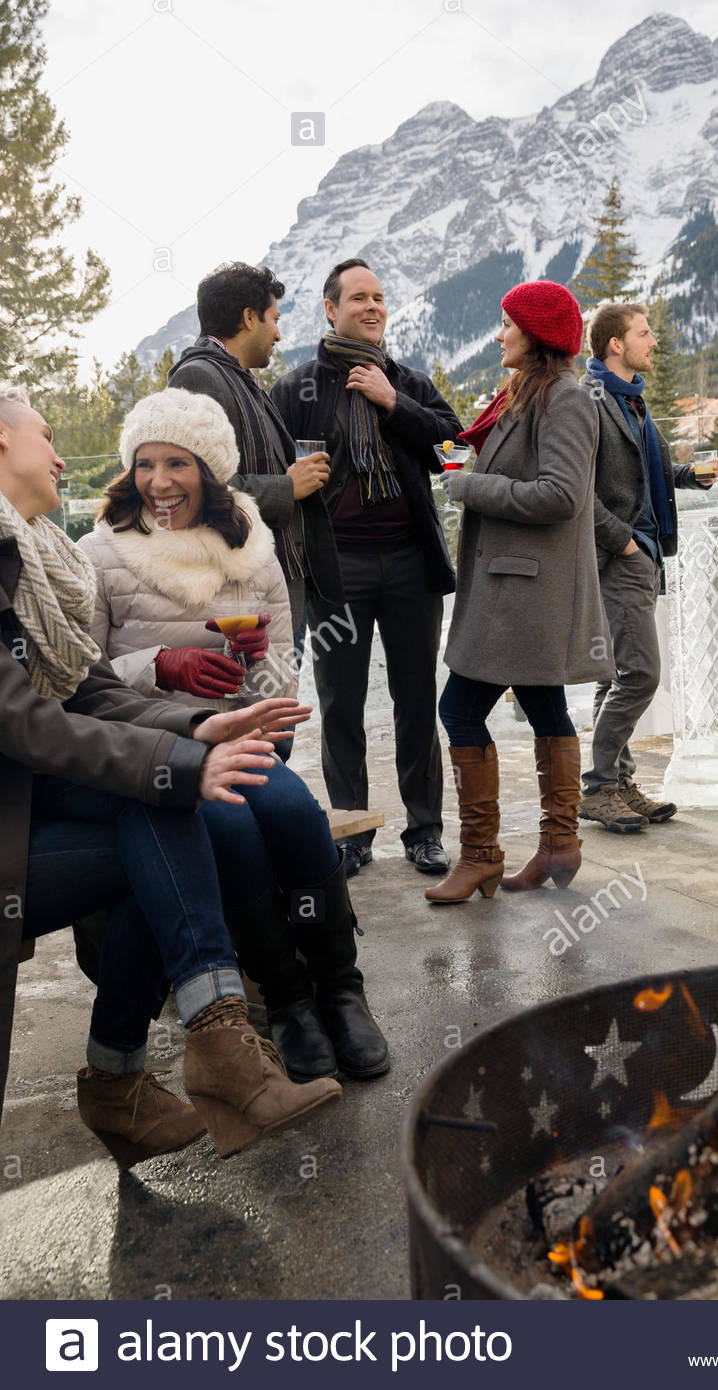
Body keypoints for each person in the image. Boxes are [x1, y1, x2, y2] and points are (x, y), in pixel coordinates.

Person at [0, 386, 341, 1162]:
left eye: (175, 462)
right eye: (48, 434)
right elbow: (33, 720)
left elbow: (82, 686)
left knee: (211, 815)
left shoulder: (32, 551)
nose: (60, 455)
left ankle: (294, 1010)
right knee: (174, 814)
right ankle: (192, 1054)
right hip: (20, 813)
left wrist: (204, 722)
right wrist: (179, 735)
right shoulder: (69, 555)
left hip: (59, 788)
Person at [77, 388, 389, 1084]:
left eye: (179, 464)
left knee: (293, 812)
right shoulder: (99, 553)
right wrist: (158, 665)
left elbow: (282, 669)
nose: (159, 482)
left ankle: (340, 989)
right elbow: (82, 681)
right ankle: (286, 1001)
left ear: (211, 472)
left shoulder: (251, 546)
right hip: (152, 748)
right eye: (145, 464)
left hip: (240, 734)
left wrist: (257, 685)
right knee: (232, 826)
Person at [425, 280, 614, 903]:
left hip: (523, 595)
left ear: (535, 334)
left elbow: (562, 496)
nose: (500, 333)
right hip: (517, 589)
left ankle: (482, 856)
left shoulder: (565, 400)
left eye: (507, 323)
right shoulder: (528, 394)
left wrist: (470, 488)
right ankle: (559, 844)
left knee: (458, 709)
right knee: (545, 709)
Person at [271, 258, 461, 878]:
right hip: (336, 567)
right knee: (341, 702)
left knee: (416, 699)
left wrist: (392, 402)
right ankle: (351, 832)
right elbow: (274, 469)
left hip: (411, 563)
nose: (373, 306)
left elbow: (451, 442)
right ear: (331, 309)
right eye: (359, 297)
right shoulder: (297, 388)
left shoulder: (409, 379)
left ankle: (424, 830)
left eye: (380, 296)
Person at [579, 301, 718, 832]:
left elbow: (650, 471)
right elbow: (578, 489)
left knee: (613, 673)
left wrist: (692, 475)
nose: (653, 340)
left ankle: (615, 783)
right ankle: (598, 787)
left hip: (641, 553)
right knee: (641, 673)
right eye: (643, 333)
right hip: (619, 555)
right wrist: (623, 544)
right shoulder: (590, 399)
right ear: (615, 344)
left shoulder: (633, 402)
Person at [167, 262, 343, 658]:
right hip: (241, 594)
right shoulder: (199, 378)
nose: (279, 334)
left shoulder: (239, 377)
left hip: (273, 582)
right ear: (249, 318)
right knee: (257, 712)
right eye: (274, 320)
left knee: (275, 709)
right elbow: (191, 488)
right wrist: (288, 486)